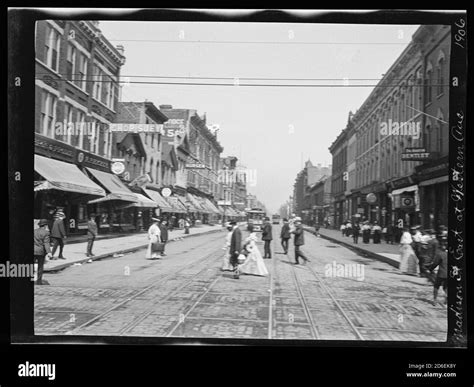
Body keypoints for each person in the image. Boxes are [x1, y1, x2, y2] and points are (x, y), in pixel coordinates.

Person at [427, 238, 447, 305]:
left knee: (436, 286)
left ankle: (435, 300)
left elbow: (435, 264)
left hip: (441, 273)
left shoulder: (440, 254)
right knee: (446, 287)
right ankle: (446, 300)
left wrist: (430, 269)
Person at [34, 219, 52, 285]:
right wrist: (49, 252)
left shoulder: (34, 231)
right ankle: (39, 281)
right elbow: (46, 243)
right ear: (45, 225)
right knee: (40, 266)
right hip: (40, 252)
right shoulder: (46, 233)